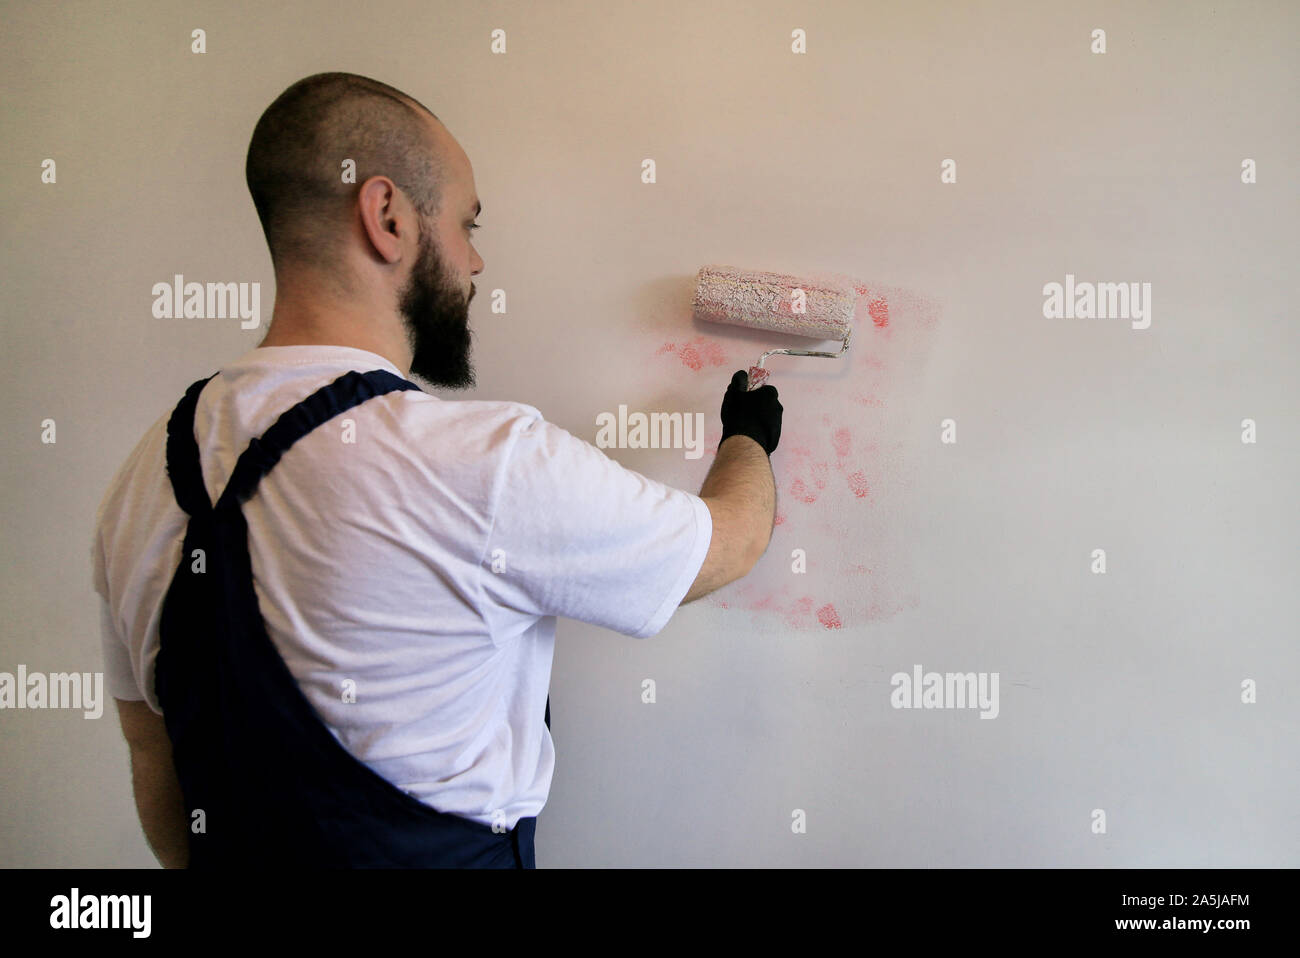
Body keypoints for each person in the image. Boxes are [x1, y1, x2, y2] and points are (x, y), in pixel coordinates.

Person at [91, 72, 782, 868]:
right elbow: (723, 545)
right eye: (466, 223)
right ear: (385, 216)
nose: (477, 261)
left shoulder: (141, 478)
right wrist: (748, 436)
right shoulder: (483, 465)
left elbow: (153, 756)